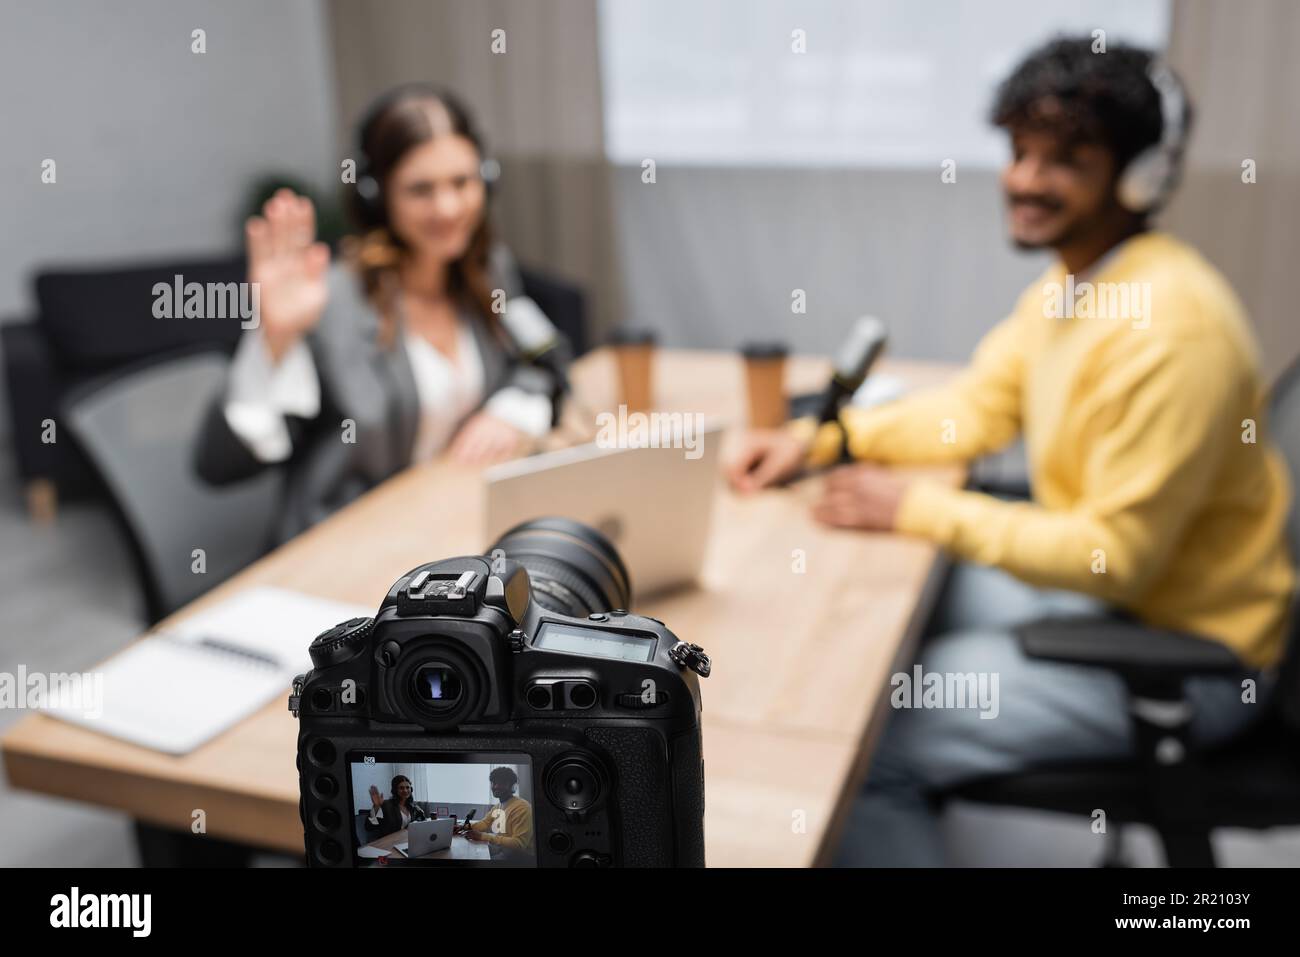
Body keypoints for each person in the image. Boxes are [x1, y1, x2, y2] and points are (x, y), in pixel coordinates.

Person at [727, 37, 1294, 865]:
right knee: (887, 626)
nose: (1026, 179)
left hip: (1188, 654)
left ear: (1139, 177)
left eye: (1065, 160)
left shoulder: (1172, 331)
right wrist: (823, 440)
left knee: (865, 743)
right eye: (1021, 151)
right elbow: (978, 408)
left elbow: (1115, 558)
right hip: (1123, 601)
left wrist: (919, 507)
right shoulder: (1079, 284)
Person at [195, 84, 569, 542]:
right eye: (420, 189)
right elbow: (218, 467)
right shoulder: (330, 302)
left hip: (453, 526)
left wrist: (508, 411)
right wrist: (272, 342)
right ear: (377, 195)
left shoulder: (486, 270)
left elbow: (543, 360)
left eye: (461, 182)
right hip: (352, 547)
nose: (448, 207)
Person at [458, 766, 533, 859]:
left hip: (519, 855)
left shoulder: (522, 808)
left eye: (502, 783)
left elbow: (519, 844)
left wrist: (483, 836)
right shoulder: (497, 807)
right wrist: (462, 827)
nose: (496, 786)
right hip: (502, 848)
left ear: (512, 786)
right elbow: (485, 824)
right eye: (494, 783)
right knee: (469, 853)